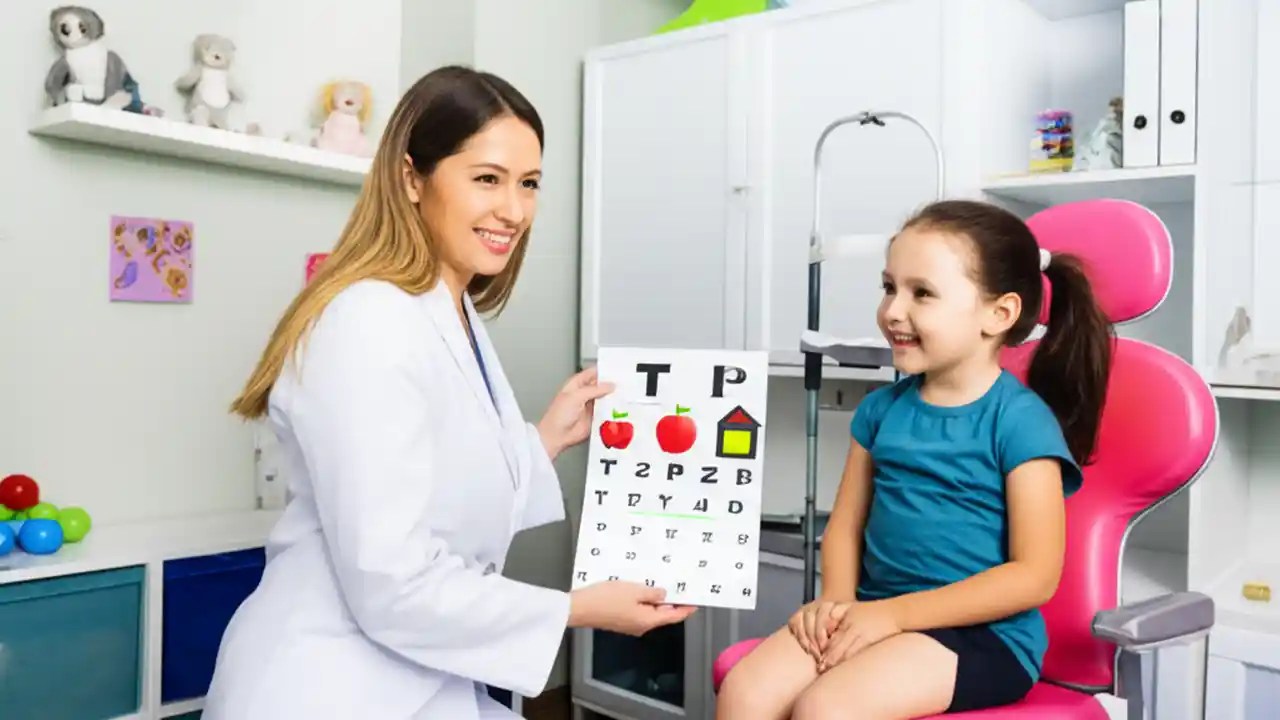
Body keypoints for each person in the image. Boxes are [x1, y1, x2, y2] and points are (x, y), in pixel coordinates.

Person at [202, 66, 696, 720]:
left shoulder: (448, 312)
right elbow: (392, 580)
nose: (514, 210)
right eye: (487, 179)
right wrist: (577, 610)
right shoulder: (366, 323)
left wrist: (544, 437)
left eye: (529, 184)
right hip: (332, 684)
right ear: (412, 177)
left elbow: (439, 487)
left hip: (421, 680)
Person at [716, 200, 1114, 719]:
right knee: (745, 691)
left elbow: (1034, 576)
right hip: (875, 614)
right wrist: (835, 604)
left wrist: (891, 617)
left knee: (827, 709)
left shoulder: (1020, 422)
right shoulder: (880, 411)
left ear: (1000, 314)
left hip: (982, 639)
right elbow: (844, 527)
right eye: (889, 287)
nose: (893, 311)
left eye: (921, 293)